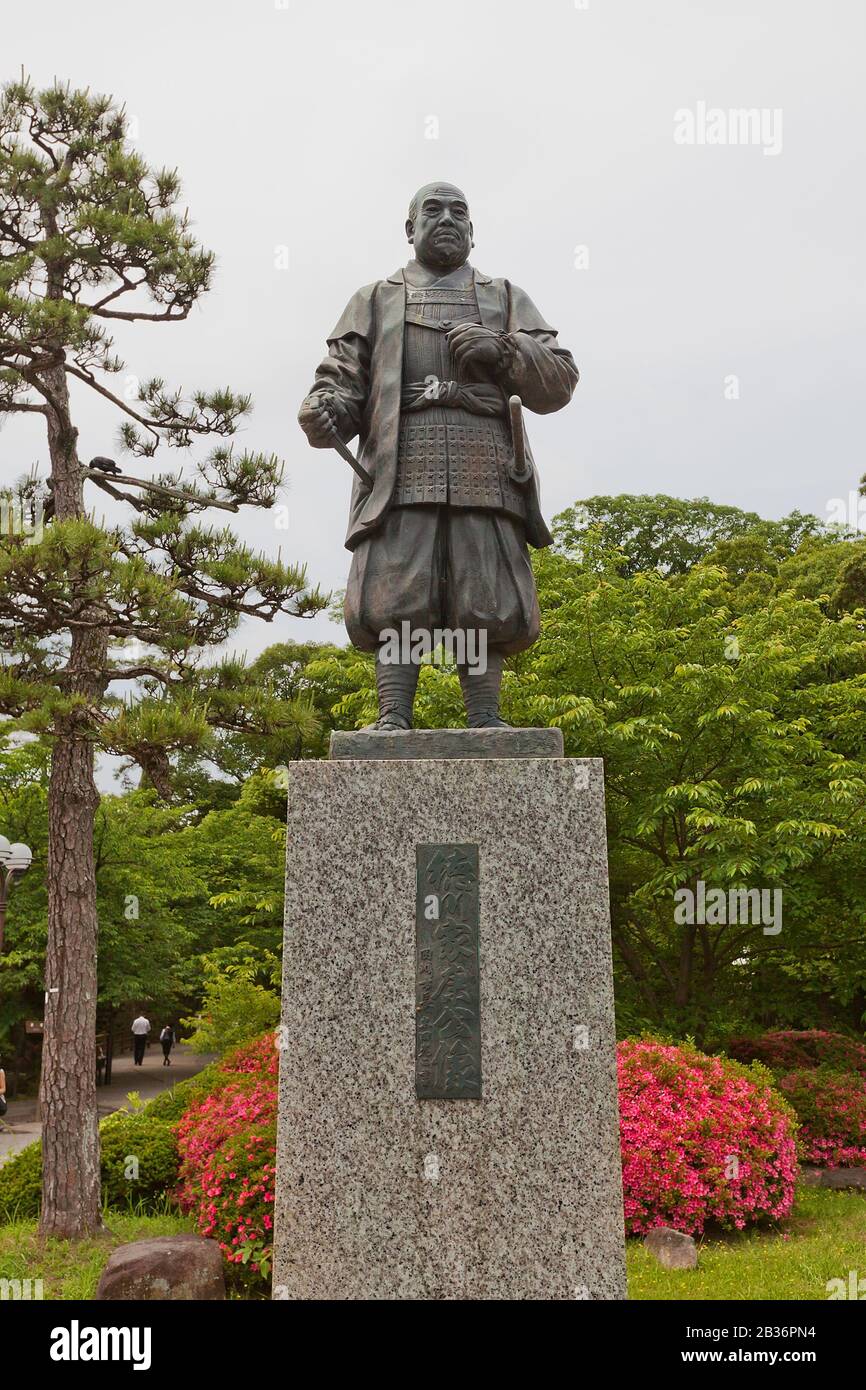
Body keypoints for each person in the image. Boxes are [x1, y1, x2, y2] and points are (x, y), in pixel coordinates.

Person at [298, 182, 578, 730]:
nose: (447, 219)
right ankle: (393, 715)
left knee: (484, 591)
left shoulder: (504, 297)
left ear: (473, 231)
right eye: (433, 210)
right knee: (399, 589)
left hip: (487, 466)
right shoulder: (375, 299)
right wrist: (323, 410)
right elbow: (341, 384)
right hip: (400, 468)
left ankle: (485, 716)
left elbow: (560, 380)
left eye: (460, 212)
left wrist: (505, 349)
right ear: (410, 229)